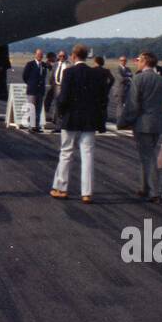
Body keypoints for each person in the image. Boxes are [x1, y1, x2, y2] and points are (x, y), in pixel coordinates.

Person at [50, 44, 104, 204]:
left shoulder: (69, 72)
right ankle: (86, 193)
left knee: (66, 153)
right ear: (86, 56)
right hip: (88, 120)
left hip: (71, 118)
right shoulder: (94, 74)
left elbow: (63, 97)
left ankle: (61, 188)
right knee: (87, 155)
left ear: (73, 56)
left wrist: (60, 112)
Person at [122, 51, 162, 203]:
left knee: (148, 157)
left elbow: (133, 104)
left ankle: (155, 192)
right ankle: (144, 187)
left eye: (138, 60)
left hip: (143, 123)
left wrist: (125, 121)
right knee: (147, 156)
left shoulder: (138, 79)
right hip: (157, 123)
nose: (136, 62)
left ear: (144, 62)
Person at [22, 48, 49, 132]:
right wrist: (31, 83)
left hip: (40, 91)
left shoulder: (44, 65)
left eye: (41, 55)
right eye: (38, 54)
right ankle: (31, 126)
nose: (40, 56)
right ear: (35, 55)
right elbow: (25, 76)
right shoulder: (30, 64)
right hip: (32, 90)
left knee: (38, 109)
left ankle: (36, 126)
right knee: (32, 108)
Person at [90, 55, 115, 133]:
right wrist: (107, 87)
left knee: (93, 110)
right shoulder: (106, 71)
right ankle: (102, 127)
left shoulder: (92, 70)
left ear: (95, 62)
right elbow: (112, 79)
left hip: (93, 92)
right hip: (103, 92)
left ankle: (94, 125)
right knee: (103, 110)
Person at [109, 55, 132, 125]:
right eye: (122, 60)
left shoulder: (128, 69)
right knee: (120, 106)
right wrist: (128, 78)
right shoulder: (117, 69)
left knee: (125, 107)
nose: (124, 62)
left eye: (125, 60)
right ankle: (119, 122)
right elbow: (121, 79)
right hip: (119, 90)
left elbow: (131, 76)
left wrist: (127, 77)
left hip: (127, 90)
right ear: (120, 61)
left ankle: (124, 121)